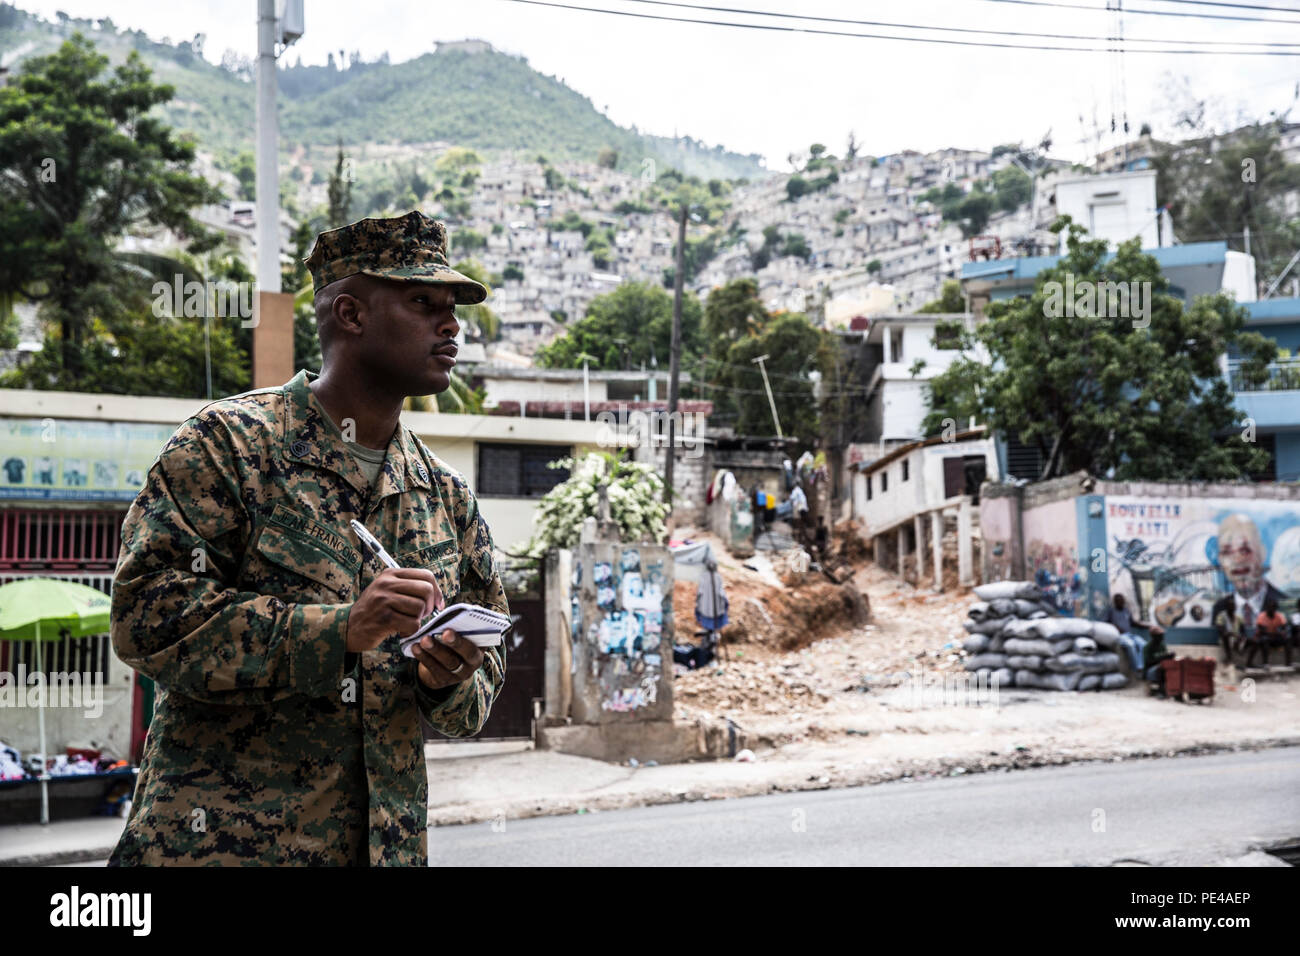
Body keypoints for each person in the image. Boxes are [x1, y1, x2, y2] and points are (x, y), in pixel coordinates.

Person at [108, 211, 509, 866]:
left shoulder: (448, 500)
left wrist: (452, 674)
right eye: (422, 302)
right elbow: (145, 622)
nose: (451, 325)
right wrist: (338, 630)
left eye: (452, 307)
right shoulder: (229, 447)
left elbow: (474, 695)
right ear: (350, 314)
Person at [1106, 593, 1151, 673]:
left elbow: (1133, 623)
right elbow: (1106, 623)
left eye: (1122, 601)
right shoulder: (1111, 611)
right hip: (1120, 636)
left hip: (1130, 634)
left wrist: (1147, 626)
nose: (1122, 603)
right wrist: (1115, 628)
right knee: (1131, 645)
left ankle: (1141, 666)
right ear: (1115, 602)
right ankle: (1135, 668)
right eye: (1119, 601)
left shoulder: (1126, 610)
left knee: (1143, 644)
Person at [1249, 597, 1292, 668]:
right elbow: (1263, 631)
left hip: (1274, 637)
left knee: (1288, 639)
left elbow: (1284, 627)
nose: (1271, 609)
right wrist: (1278, 633)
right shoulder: (1262, 616)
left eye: (1273, 607)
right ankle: (1265, 663)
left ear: (1275, 608)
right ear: (1267, 608)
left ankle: (1288, 663)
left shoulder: (1279, 616)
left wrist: (1283, 632)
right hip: (1263, 637)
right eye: (1270, 607)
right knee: (1264, 639)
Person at [1142, 624, 1173, 695]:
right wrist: (1162, 658)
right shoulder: (1148, 647)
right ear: (1154, 637)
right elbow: (1148, 662)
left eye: (1162, 635)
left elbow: (1165, 659)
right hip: (1150, 671)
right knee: (1160, 668)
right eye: (1160, 635)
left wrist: (1169, 657)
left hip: (1161, 667)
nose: (1162, 637)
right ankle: (1161, 691)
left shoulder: (1162, 646)